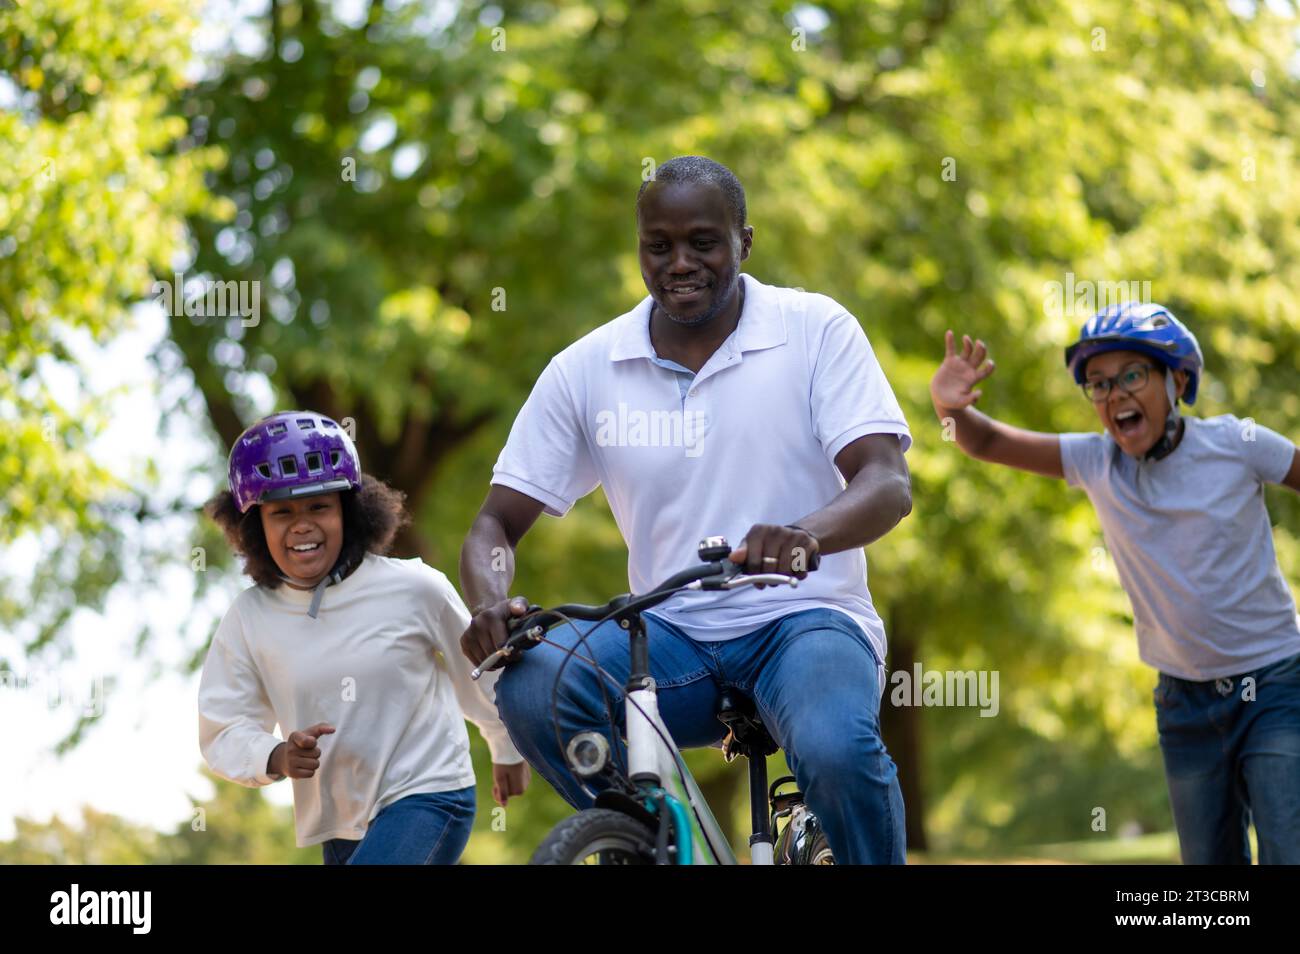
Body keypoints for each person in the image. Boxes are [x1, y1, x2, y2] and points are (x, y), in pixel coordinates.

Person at [459, 156, 914, 864]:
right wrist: (489, 601)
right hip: (668, 638)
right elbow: (494, 523)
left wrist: (804, 536)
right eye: (658, 245)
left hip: (808, 622)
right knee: (535, 683)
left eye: (703, 241)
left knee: (834, 748)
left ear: (744, 241)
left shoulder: (815, 329)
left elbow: (886, 482)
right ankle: (655, 842)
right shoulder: (587, 367)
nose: (679, 262)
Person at [929, 302, 1300, 864]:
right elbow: (982, 443)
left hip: (1273, 685)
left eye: (1132, 376)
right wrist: (946, 407)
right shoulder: (1096, 462)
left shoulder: (1238, 444)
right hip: (1185, 702)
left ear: (1177, 380)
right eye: (1098, 385)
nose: (1114, 395)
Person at [198, 410, 528, 864]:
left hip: (430, 794)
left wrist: (507, 748)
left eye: (319, 506)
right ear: (254, 524)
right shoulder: (249, 617)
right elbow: (224, 724)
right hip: (338, 817)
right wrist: (275, 756)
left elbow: (479, 672)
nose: (302, 525)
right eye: (282, 512)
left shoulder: (415, 587)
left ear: (349, 513)